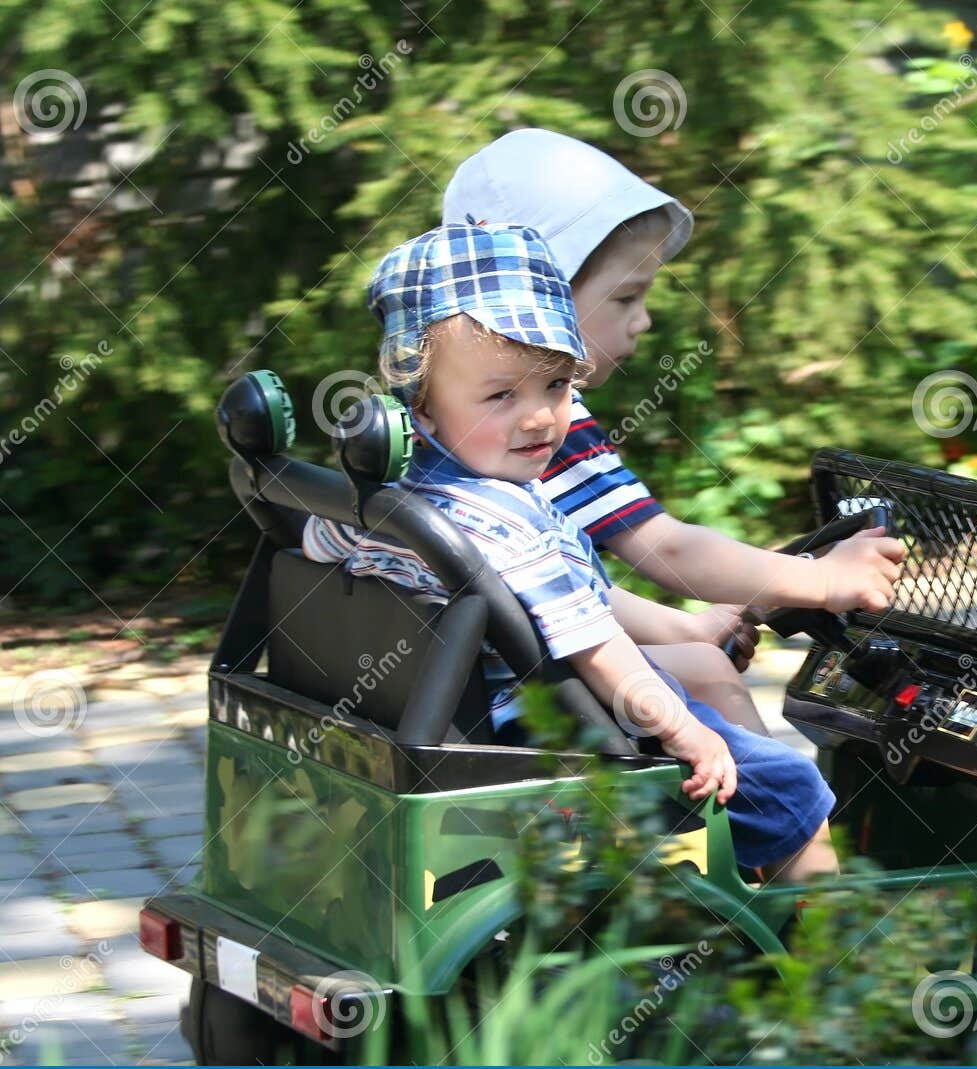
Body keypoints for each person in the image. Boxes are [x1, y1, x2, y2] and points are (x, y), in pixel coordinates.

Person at [307, 129, 906, 734]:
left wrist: (687, 627)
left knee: (699, 657)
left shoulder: (435, 430)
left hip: (451, 686)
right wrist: (822, 579)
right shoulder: (530, 434)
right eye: (625, 297)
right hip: (512, 703)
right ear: (540, 299)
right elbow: (667, 551)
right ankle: (784, 825)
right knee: (718, 689)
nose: (643, 321)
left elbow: (544, 580)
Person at [336, 222, 837, 881]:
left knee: (700, 679)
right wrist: (687, 736)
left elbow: (573, 597)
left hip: (481, 730)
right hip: (561, 748)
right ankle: (827, 945)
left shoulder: (390, 499)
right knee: (791, 786)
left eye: (556, 386)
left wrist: (688, 628)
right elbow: (597, 649)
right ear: (423, 406)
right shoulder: (500, 517)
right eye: (501, 395)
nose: (540, 417)